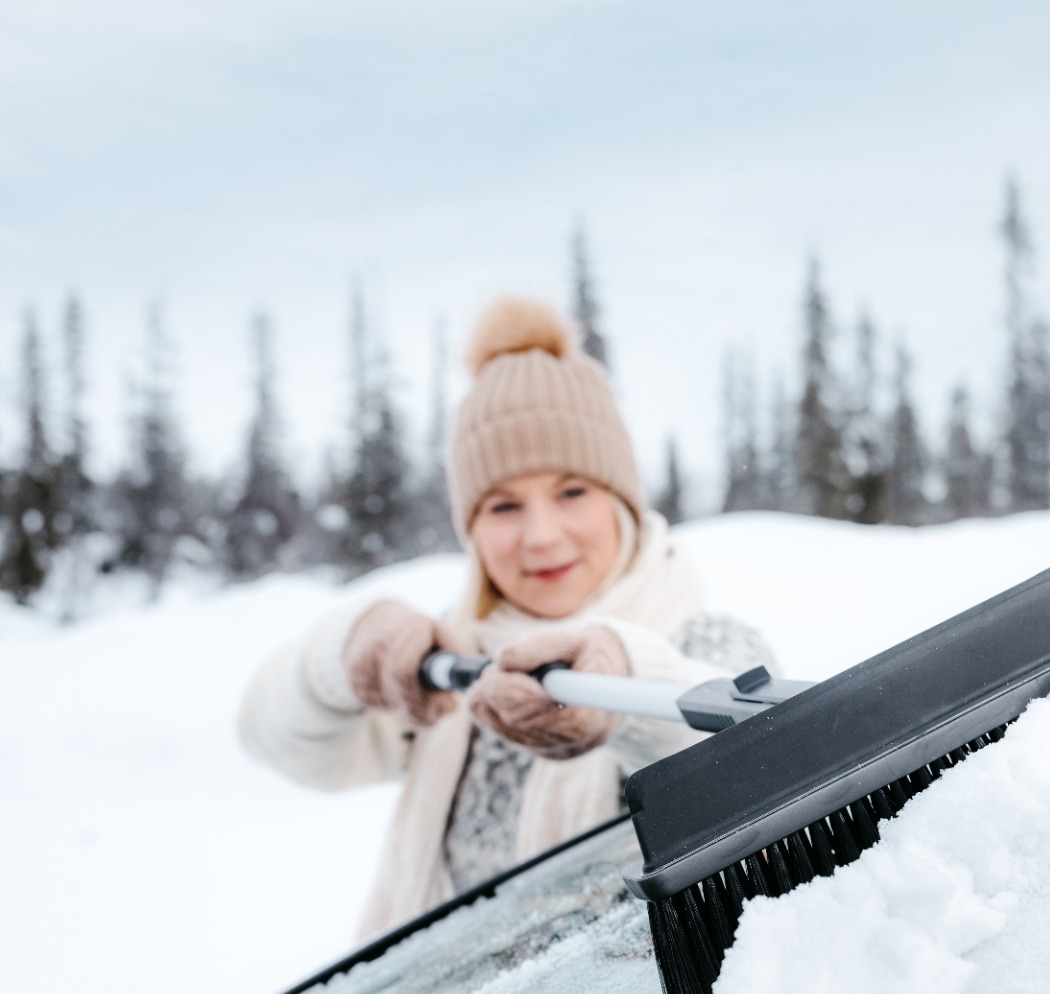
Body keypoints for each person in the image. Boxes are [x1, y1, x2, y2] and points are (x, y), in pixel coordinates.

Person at [238, 296, 774, 940]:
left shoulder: (708, 641)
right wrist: (342, 653)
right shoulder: (447, 666)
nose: (542, 537)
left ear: (621, 501)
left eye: (572, 492)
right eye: (503, 506)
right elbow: (275, 742)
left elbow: (757, 774)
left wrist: (626, 685)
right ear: (471, 528)